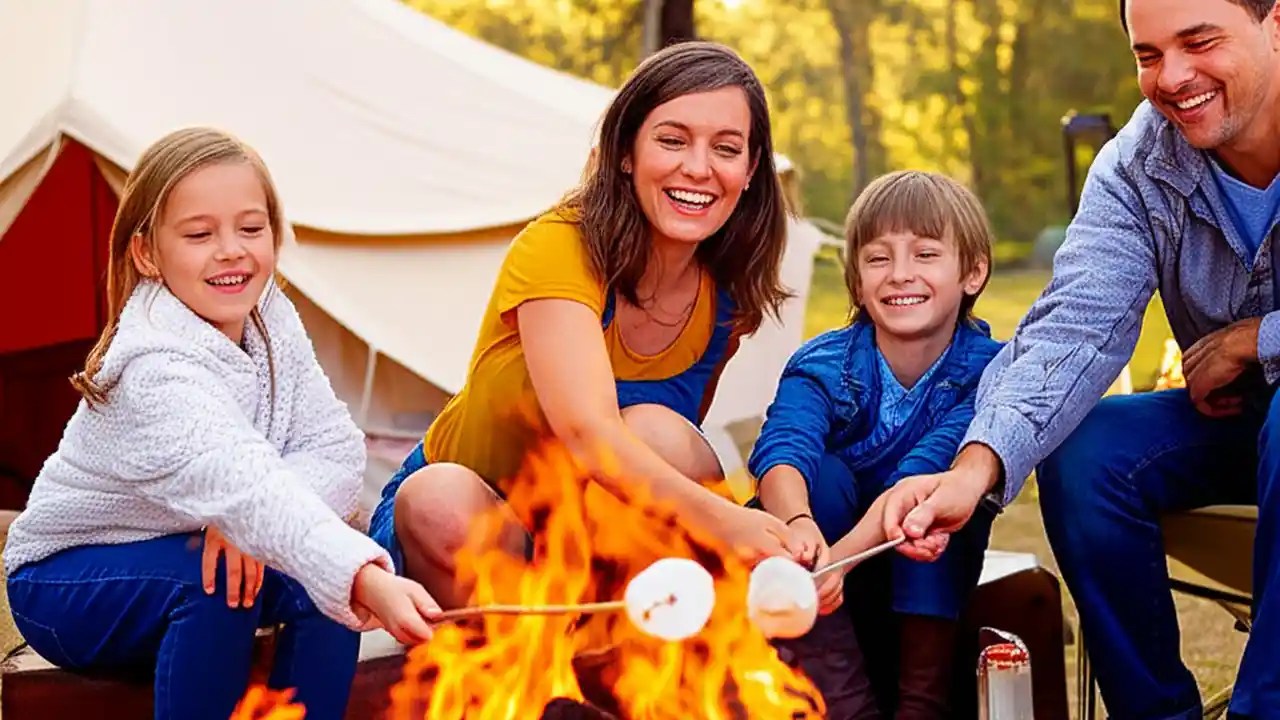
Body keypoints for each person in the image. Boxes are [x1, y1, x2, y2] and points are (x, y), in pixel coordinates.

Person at [878, 0, 1280, 716]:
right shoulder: (1138, 166)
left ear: (1275, 21)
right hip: (1239, 428)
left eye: (1199, 41)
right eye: (1148, 54)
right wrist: (973, 470)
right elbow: (1074, 331)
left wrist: (1256, 340)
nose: (1174, 78)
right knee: (1086, 448)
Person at [3, 127, 442, 720]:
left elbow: (334, 446)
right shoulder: (152, 366)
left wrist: (249, 527)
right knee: (218, 585)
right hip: (67, 579)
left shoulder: (269, 317)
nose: (232, 249)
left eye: (251, 228)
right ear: (147, 254)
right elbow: (239, 478)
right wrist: (352, 573)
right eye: (199, 234)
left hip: (193, 547)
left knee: (321, 581)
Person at [368, 41, 801, 609]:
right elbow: (589, 435)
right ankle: (523, 679)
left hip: (594, 537)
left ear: (749, 172)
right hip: (476, 519)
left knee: (661, 433)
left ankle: (624, 658)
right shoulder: (559, 246)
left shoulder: (727, 297)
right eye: (672, 140)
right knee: (436, 496)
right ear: (625, 152)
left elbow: (664, 464)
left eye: (726, 148)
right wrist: (730, 522)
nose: (698, 168)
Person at [748, 170, 999, 719]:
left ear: (972, 271)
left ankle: (919, 707)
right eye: (878, 258)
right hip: (819, 570)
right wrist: (799, 528)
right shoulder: (823, 362)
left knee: (936, 506)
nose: (900, 275)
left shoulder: (991, 373)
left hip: (918, 565)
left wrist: (842, 559)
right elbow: (783, 448)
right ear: (857, 281)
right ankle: (846, 705)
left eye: (926, 254)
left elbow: (917, 478)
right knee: (825, 476)